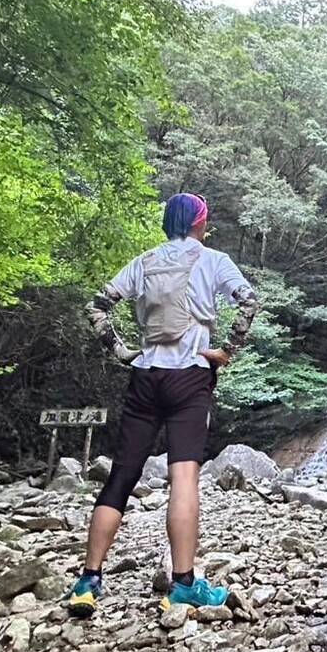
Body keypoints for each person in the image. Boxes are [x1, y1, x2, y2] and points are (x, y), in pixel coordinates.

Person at [65, 193, 260, 618]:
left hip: (145, 375)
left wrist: (120, 351)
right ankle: (184, 585)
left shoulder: (144, 261)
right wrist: (227, 349)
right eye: (205, 220)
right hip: (190, 376)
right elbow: (249, 301)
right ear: (198, 223)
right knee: (184, 476)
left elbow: (97, 306)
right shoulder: (214, 260)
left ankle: (88, 581)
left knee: (120, 476)